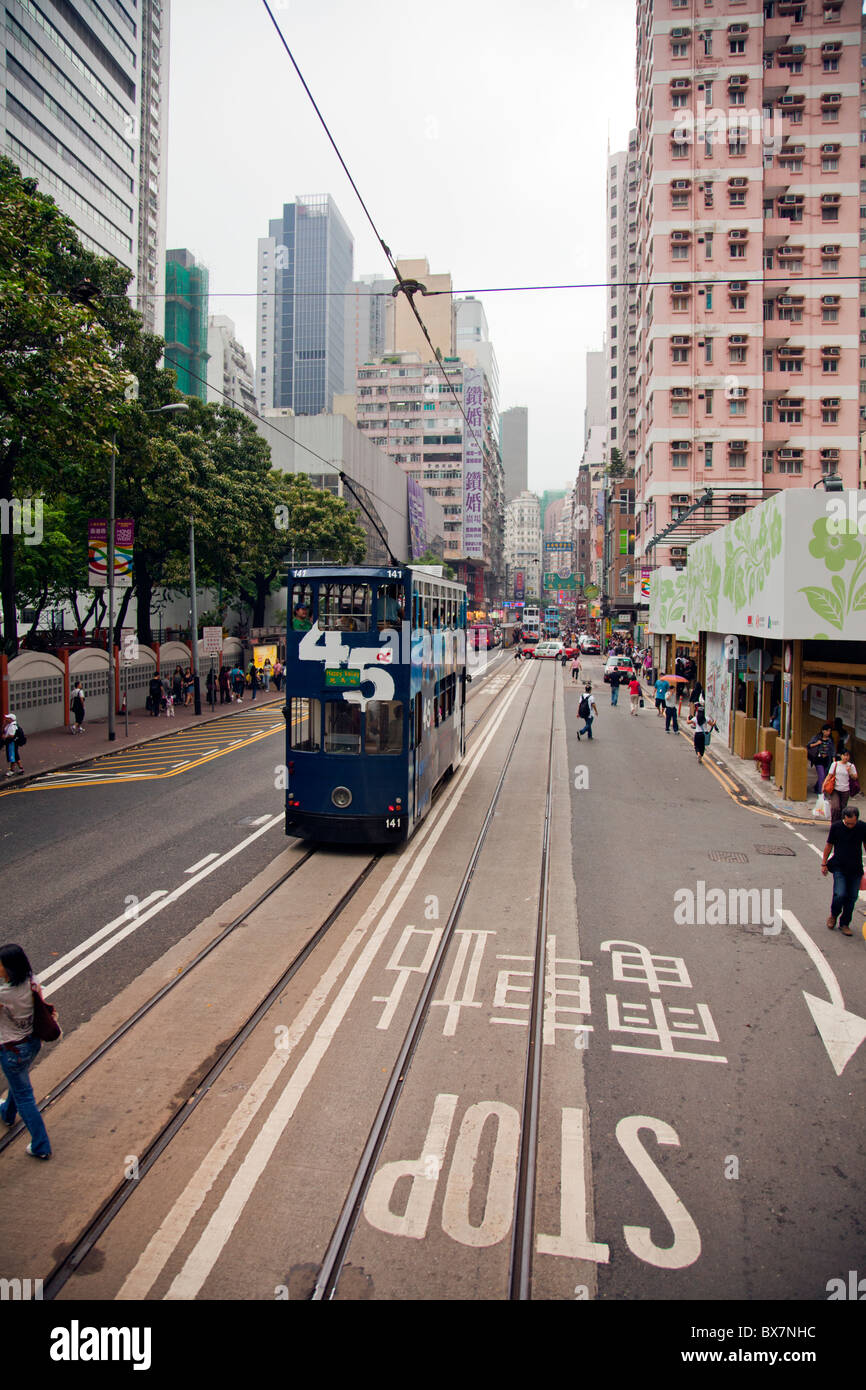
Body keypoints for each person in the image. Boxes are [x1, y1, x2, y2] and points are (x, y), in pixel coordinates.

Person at [0, 943, 51, 1159]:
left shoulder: (4, 994)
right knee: (19, 1081)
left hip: (12, 1050)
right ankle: (7, 1113)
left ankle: (41, 1145)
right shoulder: (33, 982)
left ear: (9, 969)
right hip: (32, 1044)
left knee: (25, 1097)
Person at [822, 805, 866, 937]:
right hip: (839, 867)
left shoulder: (862, 827)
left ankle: (845, 923)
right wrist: (824, 863)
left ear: (857, 819)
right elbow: (829, 845)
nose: (850, 826)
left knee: (852, 897)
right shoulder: (836, 827)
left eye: (852, 823)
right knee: (840, 894)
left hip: (856, 868)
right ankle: (833, 915)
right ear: (843, 819)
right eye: (847, 823)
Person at [825, 750, 858, 825]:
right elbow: (829, 775)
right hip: (835, 789)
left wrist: (849, 771)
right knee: (835, 808)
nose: (846, 757)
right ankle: (834, 824)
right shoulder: (835, 764)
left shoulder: (851, 766)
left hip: (845, 790)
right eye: (844, 755)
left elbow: (855, 777)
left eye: (848, 755)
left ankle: (841, 824)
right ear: (841, 756)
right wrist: (824, 784)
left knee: (843, 809)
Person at [807, 725, 836, 794]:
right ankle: (821, 792)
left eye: (829, 731)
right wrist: (817, 743)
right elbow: (809, 745)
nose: (828, 732)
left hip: (827, 760)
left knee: (825, 776)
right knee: (821, 775)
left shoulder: (830, 740)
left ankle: (817, 787)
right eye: (827, 731)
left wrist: (834, 761)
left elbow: (833, 751)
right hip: (818, 760)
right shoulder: (817, 738)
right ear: (823, 731)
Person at [2, 712, 24, 777]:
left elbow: (11, 735)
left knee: (12, 756)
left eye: (7, 718)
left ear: (11, 719)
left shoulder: (12, 726)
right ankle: (21, 768)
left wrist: (5, 737)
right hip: (12, 743)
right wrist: (4, 725)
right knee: (16, 755)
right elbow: (4, 731)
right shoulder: (9, 724)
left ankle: (12, 770)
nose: (6, 719)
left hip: (12, 743)